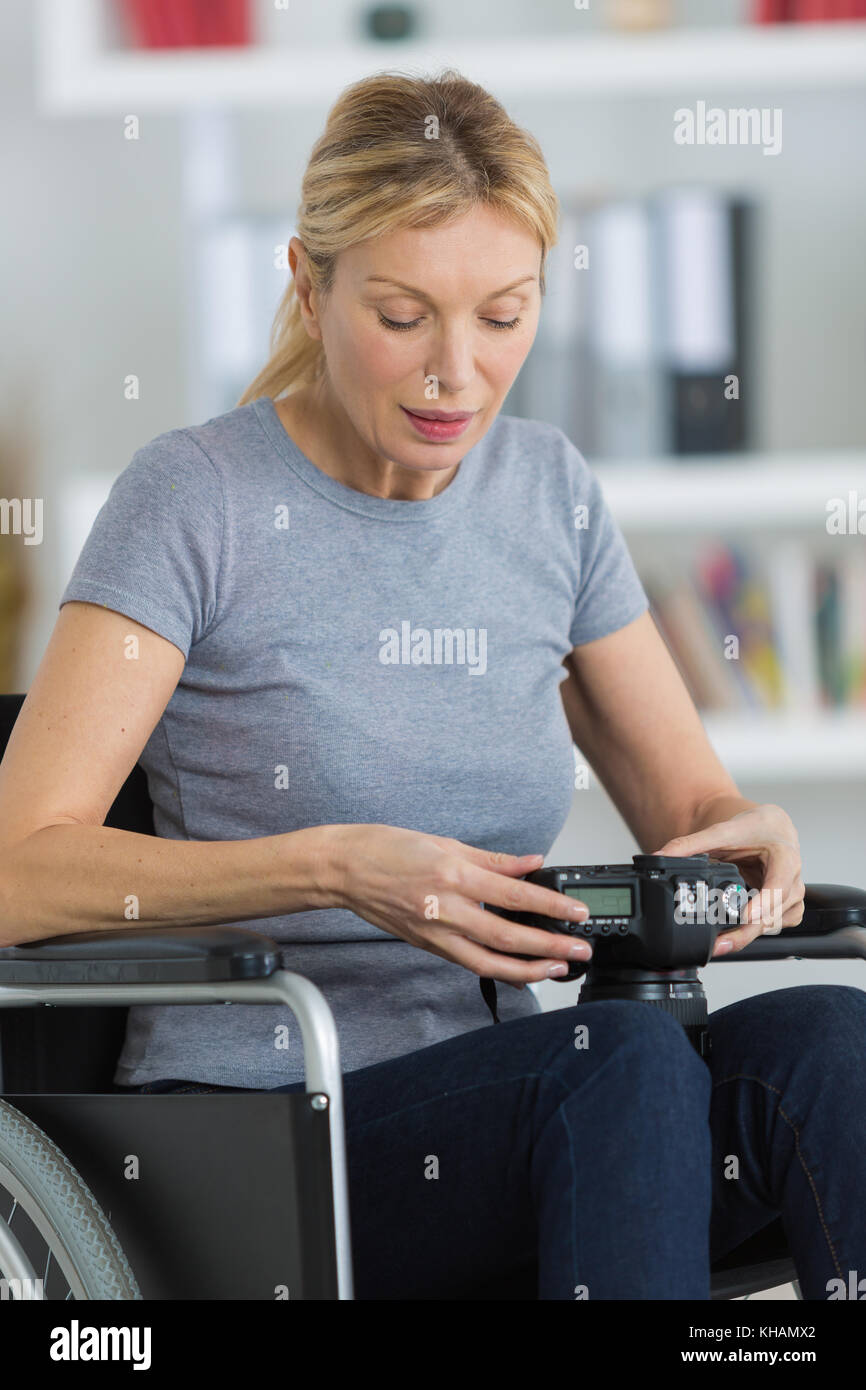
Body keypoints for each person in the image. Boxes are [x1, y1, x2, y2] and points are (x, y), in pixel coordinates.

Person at [0, 69, 863, 1301]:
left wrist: (748, 841)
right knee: (619, 1066)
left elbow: (692, 817)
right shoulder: (196, 501)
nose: (455, 371)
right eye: (402, 315)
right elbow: (16, 869)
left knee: (828, 1042)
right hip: (270, 1123)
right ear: (309, 281)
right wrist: (332, 865)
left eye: (501, 315)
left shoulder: (547, 494)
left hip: (542, 1097)